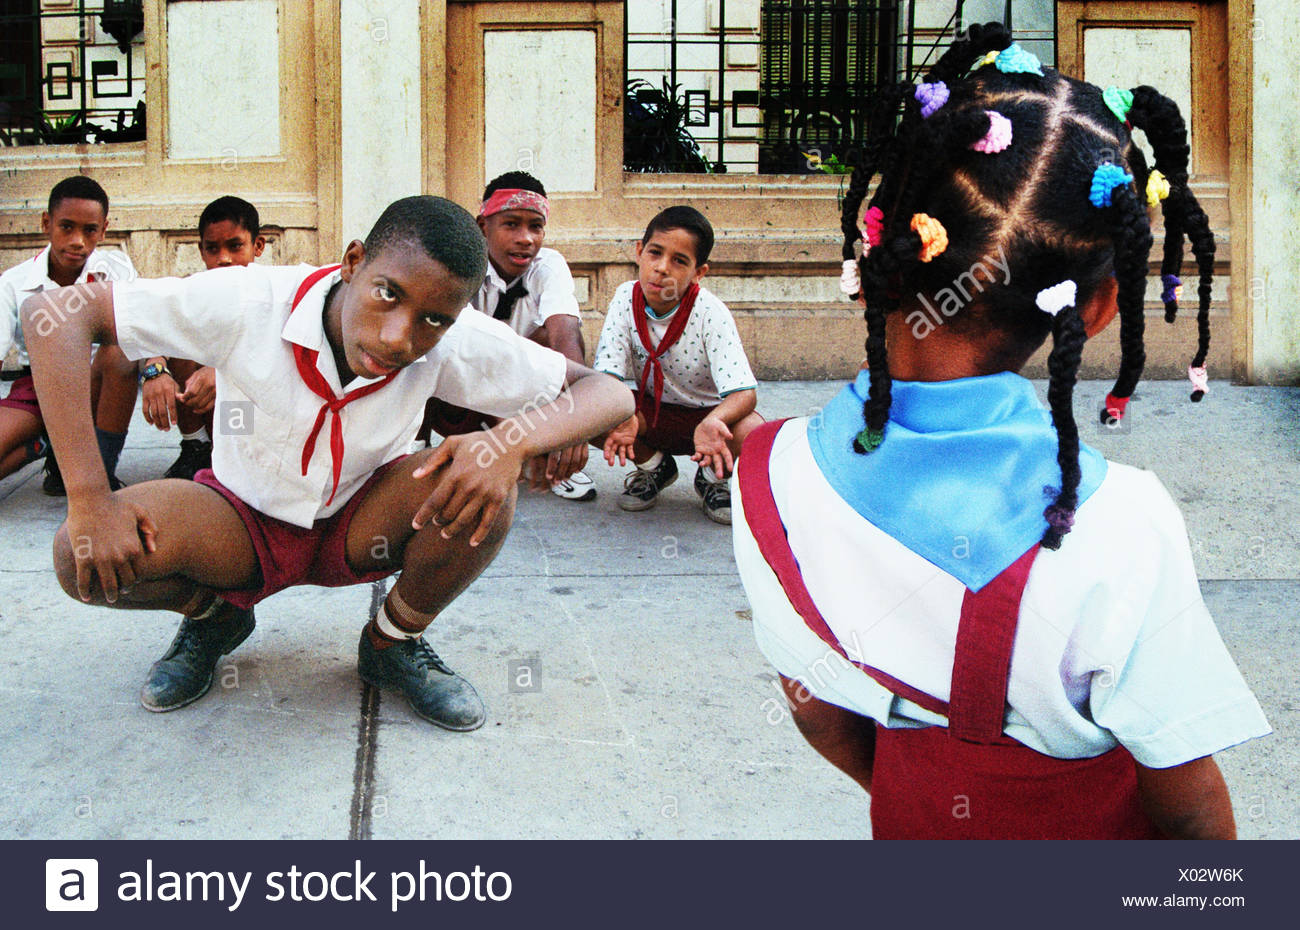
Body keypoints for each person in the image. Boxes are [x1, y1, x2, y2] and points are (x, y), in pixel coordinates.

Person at [732, 24, 1269, 838]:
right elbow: (1186, 795)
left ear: (883, 234)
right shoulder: (1118, 523)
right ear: (1096, 306)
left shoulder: (766, 473)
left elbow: (814, 709)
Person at [23, 195, 632, 731]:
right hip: (238, 521)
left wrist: (507, 445)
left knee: (482, 484)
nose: (399, 337)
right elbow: (57, 319)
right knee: (78, 558)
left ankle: (393, 642)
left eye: (433, 319)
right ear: (353, 261)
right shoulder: (249, 298)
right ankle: (213, 619)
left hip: (360, 521)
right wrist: (89, 497)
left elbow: (607, 393)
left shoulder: (453, 337)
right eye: (387, 294)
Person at [412, 172, 597, 501]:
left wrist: (574, 422)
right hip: (463, 395)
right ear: (484, 227)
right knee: (428, 338)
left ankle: (552, 458)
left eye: (535, 226)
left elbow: (566, 335)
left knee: (555, 344)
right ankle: (415, 447)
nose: (526, 238)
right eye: (511, 224)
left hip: (520, 397)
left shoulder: (548, 266)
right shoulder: (463, 262)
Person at [593, 205, 760, 524]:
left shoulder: (711, 312)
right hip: (649, 414)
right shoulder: (624, 298)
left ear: (699, 272)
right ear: (639, 252)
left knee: (752, 429)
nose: (662, 268)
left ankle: (712, 477)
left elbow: (745, 393)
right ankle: (655, 467)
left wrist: (716, 421)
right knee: (590, 410)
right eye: (655, 253)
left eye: (679, 261)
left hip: (705, 417)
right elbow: (606, 376)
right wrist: (620, 416)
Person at [0, 175, 138, 489]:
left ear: (103, 229)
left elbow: (141, 329)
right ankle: (44, 446)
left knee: (119, 351)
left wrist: (156, 371)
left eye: (89, 230)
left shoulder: (116, 269)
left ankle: (98, 475)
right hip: (38, 386)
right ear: (47, 223)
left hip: (95, 384)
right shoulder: (13, 282)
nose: (77, 241)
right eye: (66, 227)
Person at [138, 196, 266, 480]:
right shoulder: (192, 288)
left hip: (251, 420)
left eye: (235, 246)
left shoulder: (269, 293)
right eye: (212, 248)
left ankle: (237, 457)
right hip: (207, 409)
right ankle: (196, 445)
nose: (223, 258)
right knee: (181, 345)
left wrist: (221, 371)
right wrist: (155, 369)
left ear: (258, 246)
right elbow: (157, 329)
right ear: (201, 250)